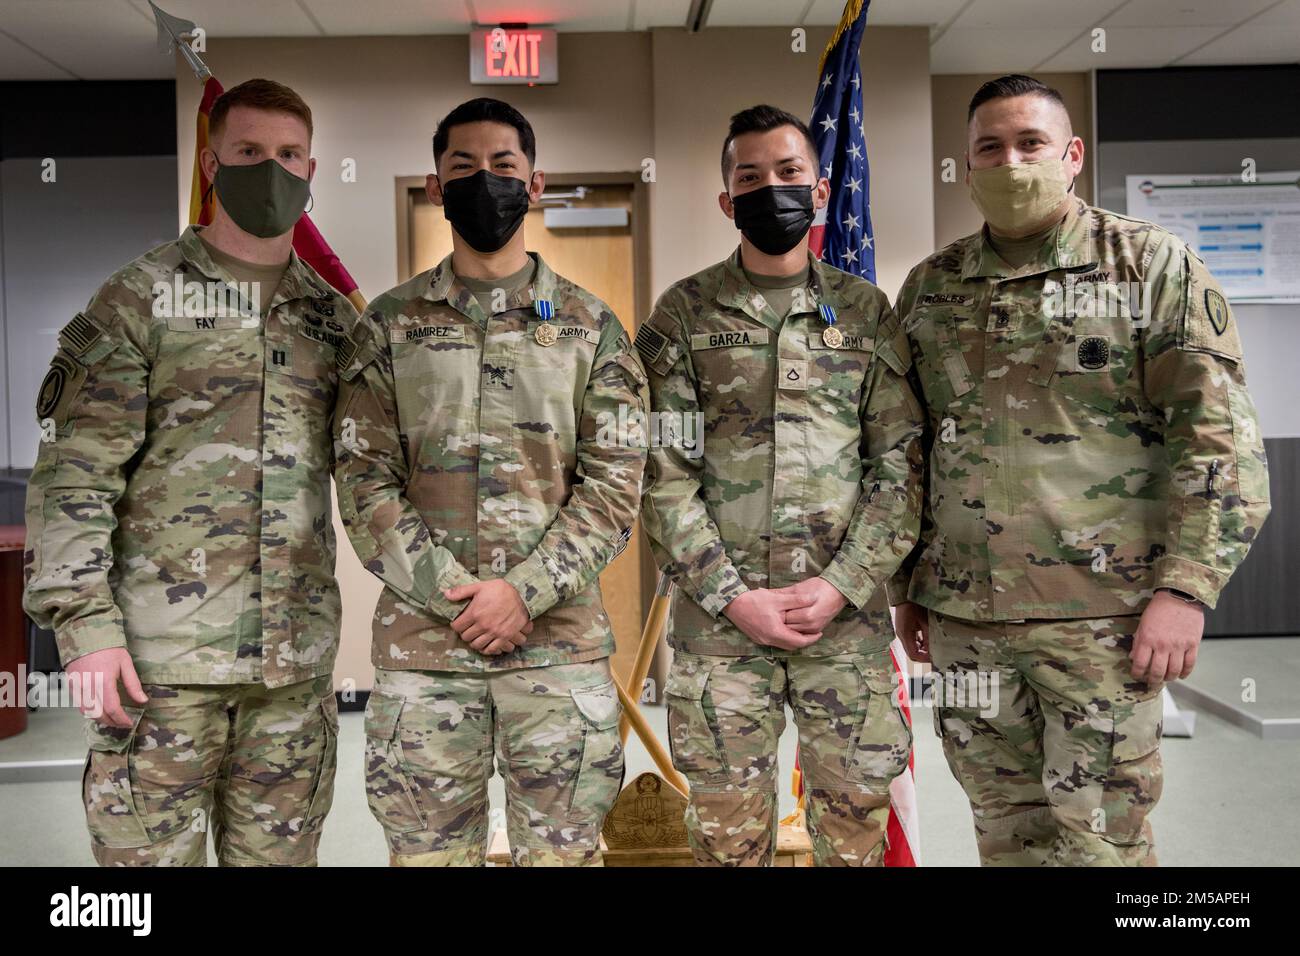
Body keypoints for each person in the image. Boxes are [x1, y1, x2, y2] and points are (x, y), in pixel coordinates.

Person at [890, 74, 1272, 866]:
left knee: (1101, 841)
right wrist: (909, 590)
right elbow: (908, 451)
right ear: (965, 169)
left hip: (1104, 620)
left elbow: (1218, 442)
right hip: (965, 624)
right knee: (1004, 833)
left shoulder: (1149, 268)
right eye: (989, 148)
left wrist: (1185, 590)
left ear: (1071, 154)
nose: (1010, 161)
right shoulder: (930, 289)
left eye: (1030, 144)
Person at [24, 78, 358, 866]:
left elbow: (375, 469)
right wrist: (87, 631)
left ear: (313, 169)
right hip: (156, 669)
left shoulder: (334, 318)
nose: (269, 170)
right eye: (248, 152)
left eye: (287, 155)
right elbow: (75, 474)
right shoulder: (138, 301)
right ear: (211, 163)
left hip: (292, 670)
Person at [334, 97, 649, 866]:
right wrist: (457, 593)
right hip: (426, 656)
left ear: (534, 184)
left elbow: (615, 483)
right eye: (463, 167)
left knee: (564, 858)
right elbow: (362, 478)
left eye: (503, 166)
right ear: (438, 188)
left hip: (558, 657)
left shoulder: (589, 326)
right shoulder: (388, 326)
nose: (485, 181)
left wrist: (523, 592)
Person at [639, 105, 926, 866]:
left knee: (856, 838)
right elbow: (662, 473)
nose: (773, 190)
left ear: (821, 188)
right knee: (728, 842)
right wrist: (735, 596)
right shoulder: (684, 314)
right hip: (722, 634)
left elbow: (899, 466)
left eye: (789, 173)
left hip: (846, 629)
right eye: (750, 178)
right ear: (727, 201)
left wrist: (841, 585)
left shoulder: (866, 313)